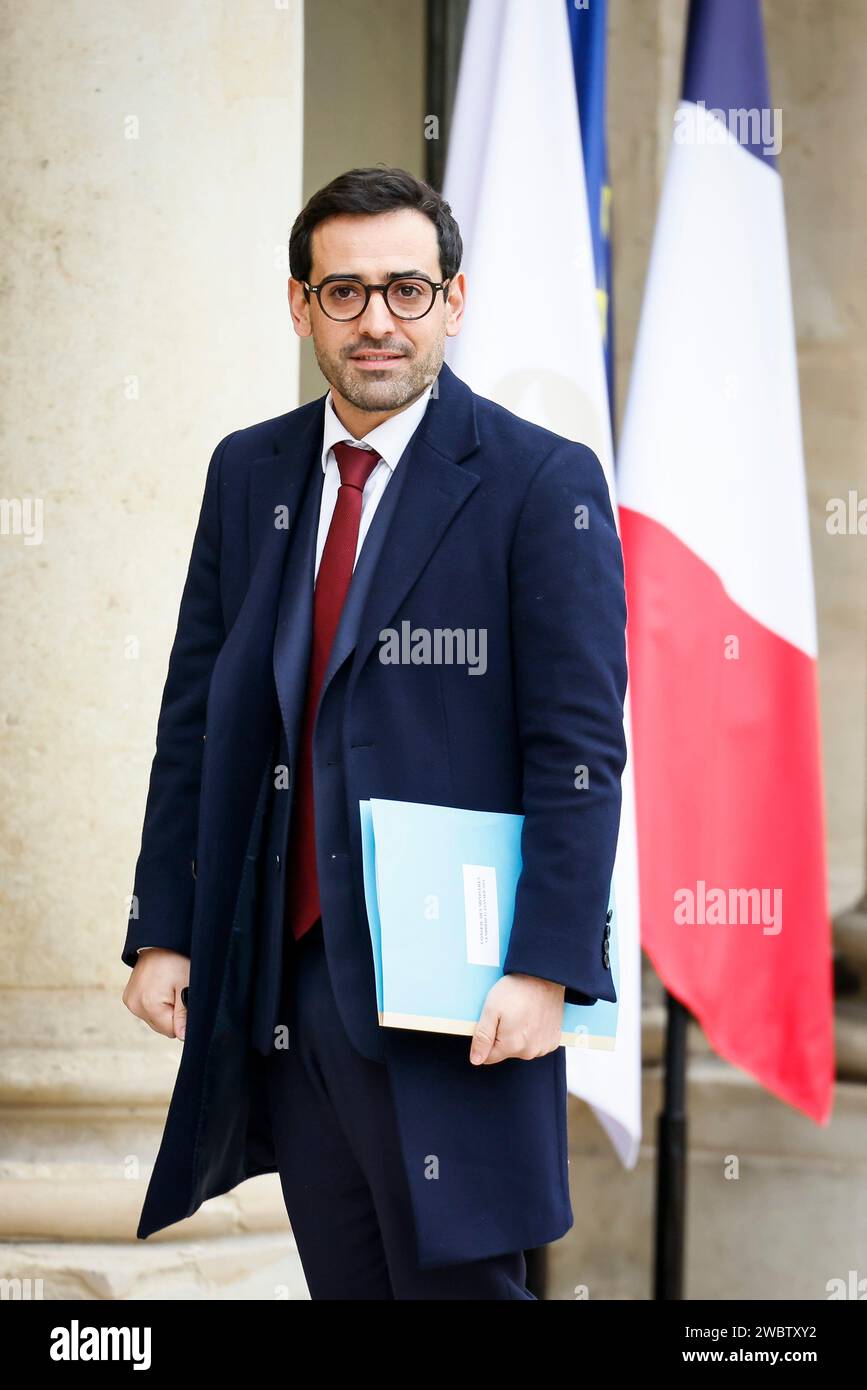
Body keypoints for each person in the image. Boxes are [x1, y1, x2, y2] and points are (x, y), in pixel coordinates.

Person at [122, 165, 627, 1300]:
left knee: (463, 1289)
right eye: (343, 294)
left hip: (456, 987)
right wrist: (166, 925)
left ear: (455, 299)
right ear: (299, 307)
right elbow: (197, 716)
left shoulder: (542, 483)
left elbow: (580, 748)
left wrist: (547, 963)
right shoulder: (249, 471)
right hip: (287, 981)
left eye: (406, 288)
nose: (377, 321)